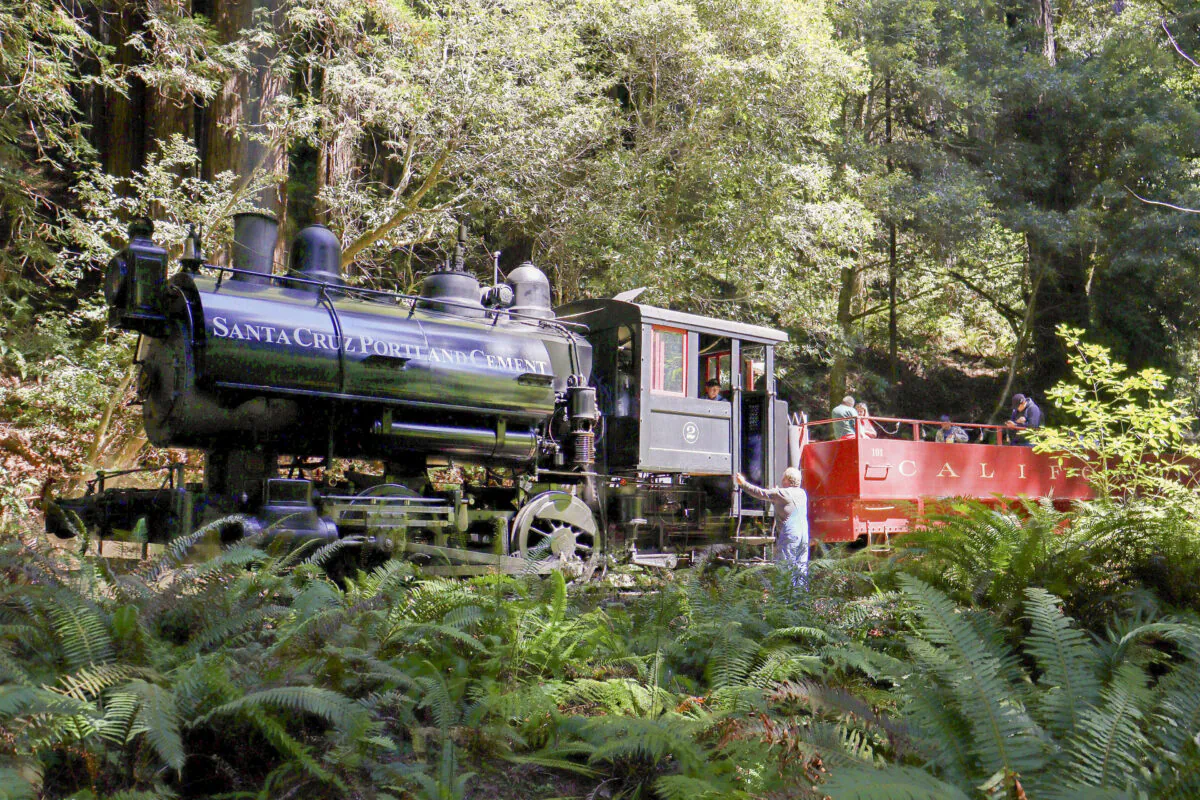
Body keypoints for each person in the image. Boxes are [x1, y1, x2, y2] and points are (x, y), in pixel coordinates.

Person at [736, 467, 809, 586]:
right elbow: (786, 504)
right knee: (801, 568)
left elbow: (760, 493)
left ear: (786, 480)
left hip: (790, 535)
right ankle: (801, 595)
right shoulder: (802, 493)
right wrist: (777, 493)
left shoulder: (781, 493)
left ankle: (786, 596)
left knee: (786, 568)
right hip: (804, 535)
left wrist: (743, 483)